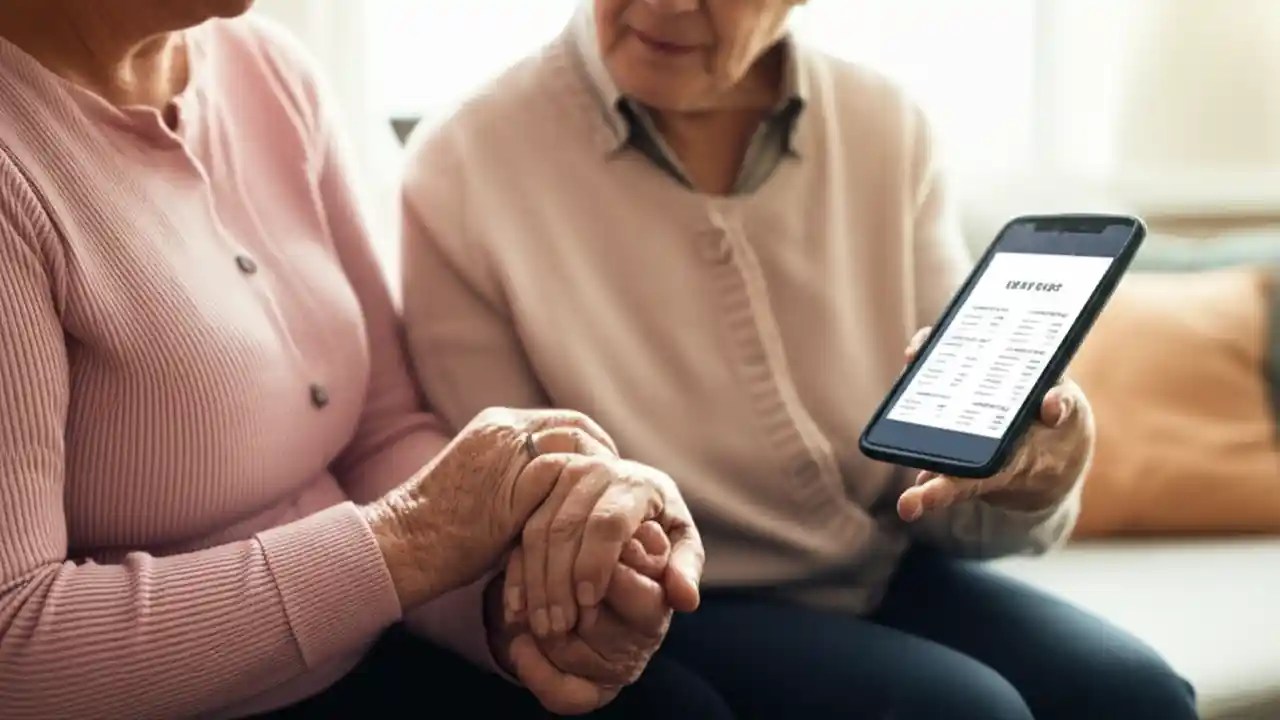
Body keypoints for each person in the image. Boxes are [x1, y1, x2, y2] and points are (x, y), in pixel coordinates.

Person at [399, 0, 1199, 718]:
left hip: (884, 568)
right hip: (680, 602)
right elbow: (521, 513)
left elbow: (946, 494)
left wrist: (1031, 474)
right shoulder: (464, 163)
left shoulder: (887, 126)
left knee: (1134, 693)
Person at [0, 2, 710, 718]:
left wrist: (526, 606)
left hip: (371, 653)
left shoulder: (268, 67)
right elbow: (12, 646)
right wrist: (410, 540)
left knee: (675, 708)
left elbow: (383, 431)